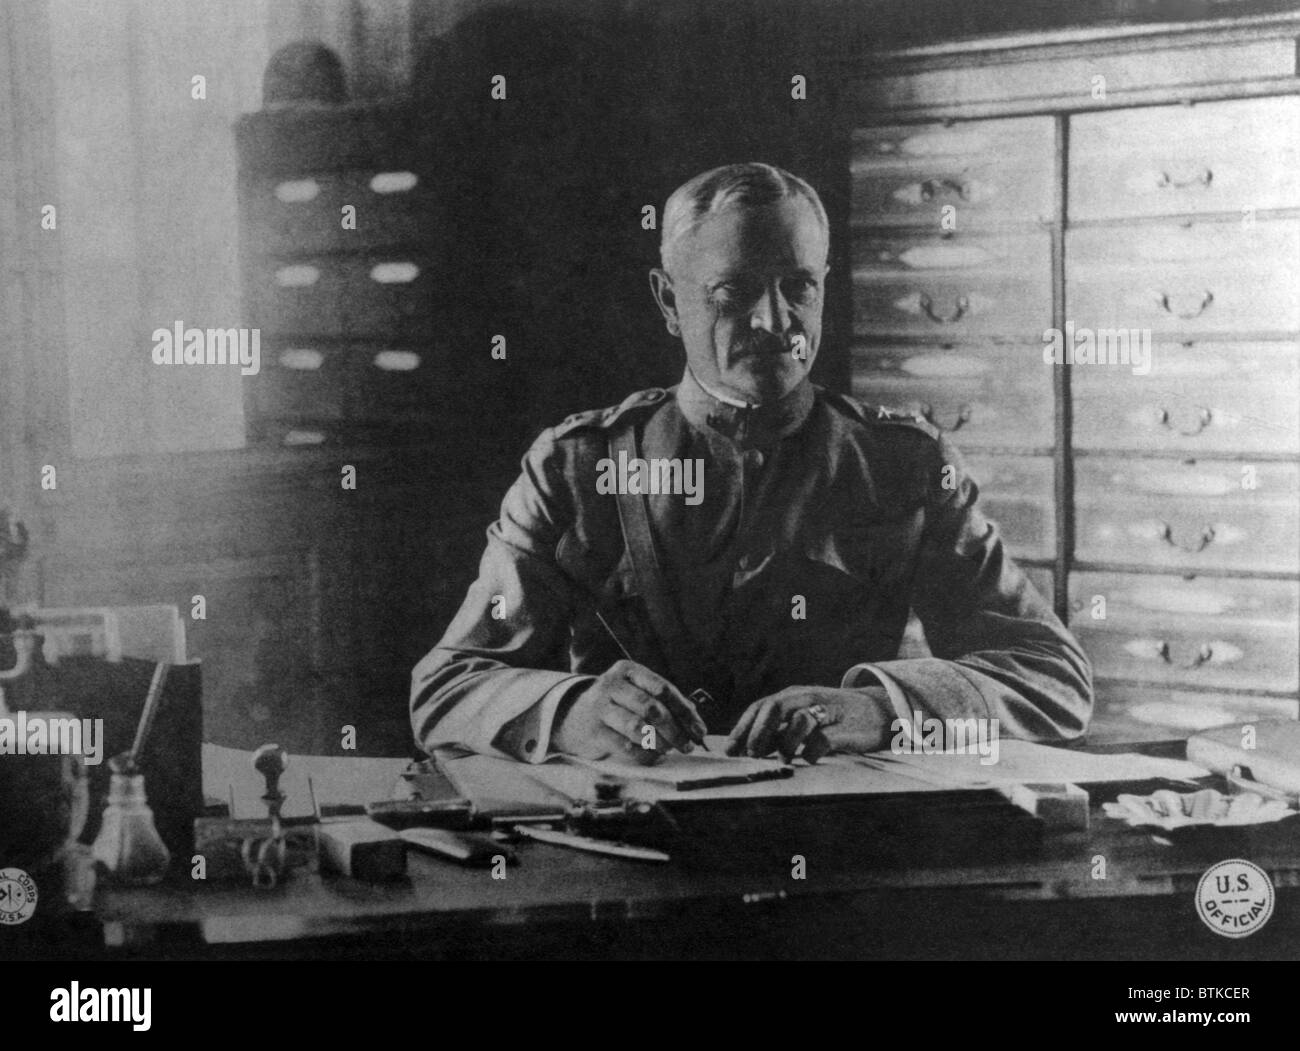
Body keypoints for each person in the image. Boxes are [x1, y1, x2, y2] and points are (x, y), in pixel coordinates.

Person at [411, 162, 1092, 766]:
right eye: (734, 293)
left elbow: (1055, 676)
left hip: (837, 851)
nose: (775, 320)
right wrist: (569, 713)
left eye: (798, 286)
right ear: (669, 302)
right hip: (638, 854)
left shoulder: (900, 466)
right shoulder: (576, 468)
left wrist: (883, 708)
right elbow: (446, 685)